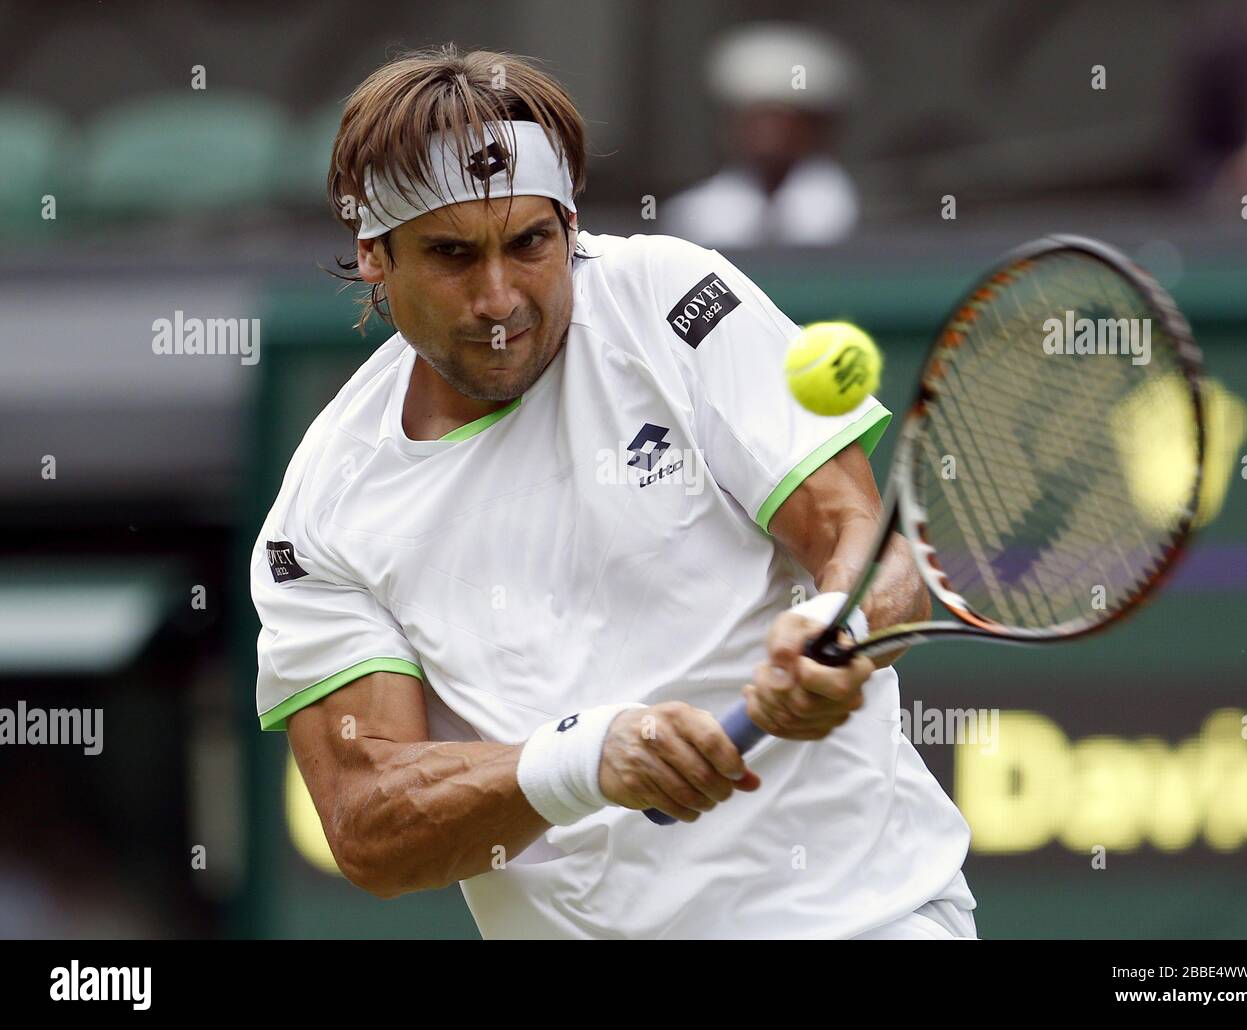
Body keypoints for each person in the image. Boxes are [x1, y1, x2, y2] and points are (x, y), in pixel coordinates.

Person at [250, 44, 977, 940]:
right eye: (450, 255)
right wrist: (582, 762)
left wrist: (845, 624)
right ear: (374, 255)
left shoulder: (671, 302)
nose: (499, 297)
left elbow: (863, 538)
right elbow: (368, 826)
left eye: (530, 243)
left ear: (568, 221)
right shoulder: (322, 512)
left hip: (861, 920)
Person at [660, 22, 862, 247]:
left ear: (817, 128)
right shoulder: (691, 212)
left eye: (786, 122)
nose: (769, 135)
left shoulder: (863, 210)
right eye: (756, 119)